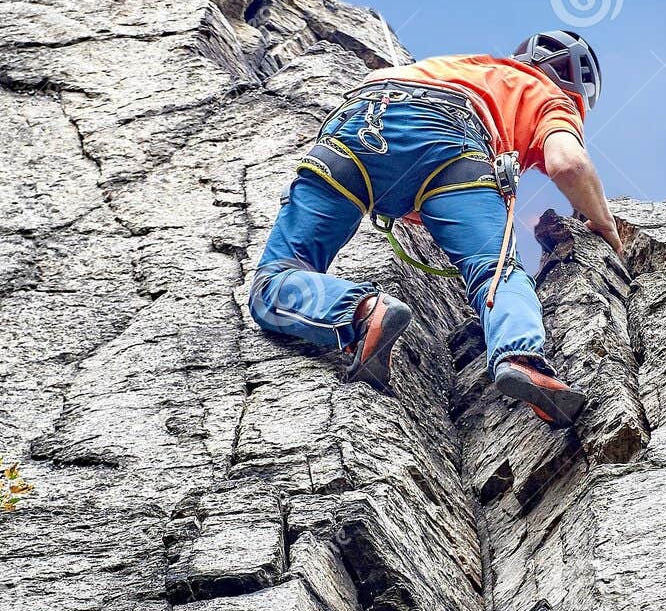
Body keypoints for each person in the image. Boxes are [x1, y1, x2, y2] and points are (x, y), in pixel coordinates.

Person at [249, 30, 623, 427]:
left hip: (356, 127)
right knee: (494, 271)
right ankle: (519, 358)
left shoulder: (463, 63)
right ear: (579, 94)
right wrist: (603, 226)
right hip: (453, 146)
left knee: (277, 277)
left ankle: (362, 311)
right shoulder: (549, 97)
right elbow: (569, 164)